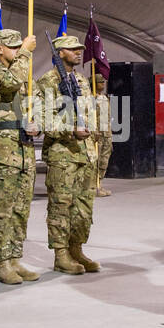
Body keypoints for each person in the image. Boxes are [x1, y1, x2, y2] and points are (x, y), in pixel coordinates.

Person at [33, 33, 100, 274]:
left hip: (86, 154)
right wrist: (70, 131)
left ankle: (76, 249)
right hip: (63, 155)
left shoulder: (82, 80)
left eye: (79, 48)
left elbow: (91, 114)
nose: (78, 52)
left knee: (83, 207)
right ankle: (60, 254)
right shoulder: (47, 82)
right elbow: (42, 120)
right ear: (60, 53)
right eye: (72, 49)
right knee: (61, 206)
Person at [0, 28, 40, 284]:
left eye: (21, 47)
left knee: (21, 210)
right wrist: (27, 54)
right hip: (2, 151)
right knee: (1, 210)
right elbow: (9, 85)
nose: (19, 51)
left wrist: (38, 122)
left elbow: (38, 105)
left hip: (24, 150)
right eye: (14, 47)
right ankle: (2, 262)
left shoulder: (25, 75)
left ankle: (16, 257)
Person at [94, 76, 113, 196]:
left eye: (103, 82)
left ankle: (99, 184)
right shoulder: (90, 98)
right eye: (100, 82)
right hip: (97, 135)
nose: (103, 84)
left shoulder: (104, 98)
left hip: (106, 134)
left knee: (104, 161)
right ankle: (93, 186)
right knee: (95, 161)